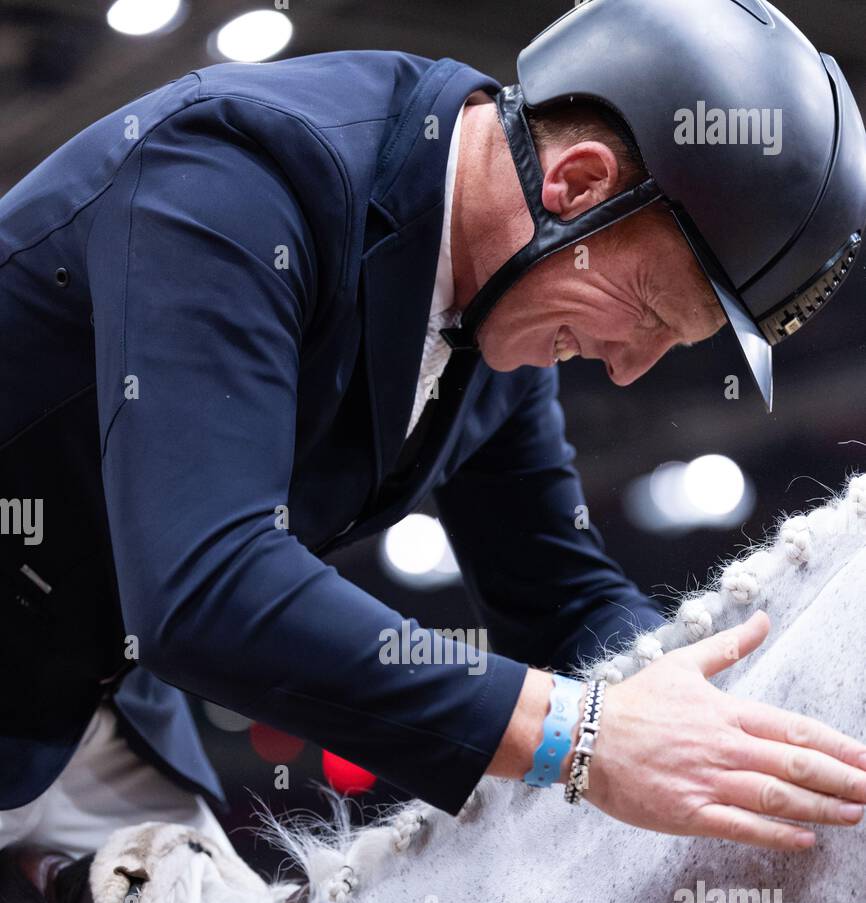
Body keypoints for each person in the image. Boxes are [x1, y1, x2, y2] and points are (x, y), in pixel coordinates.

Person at [1, 0, 865, 859]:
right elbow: (208, 586)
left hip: (99, 718)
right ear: (579, 186)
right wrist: (581, 734)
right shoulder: (232, 175)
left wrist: (738, 706)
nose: (628, 370)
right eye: (645, 314)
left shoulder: (498, 312)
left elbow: (561, 598)